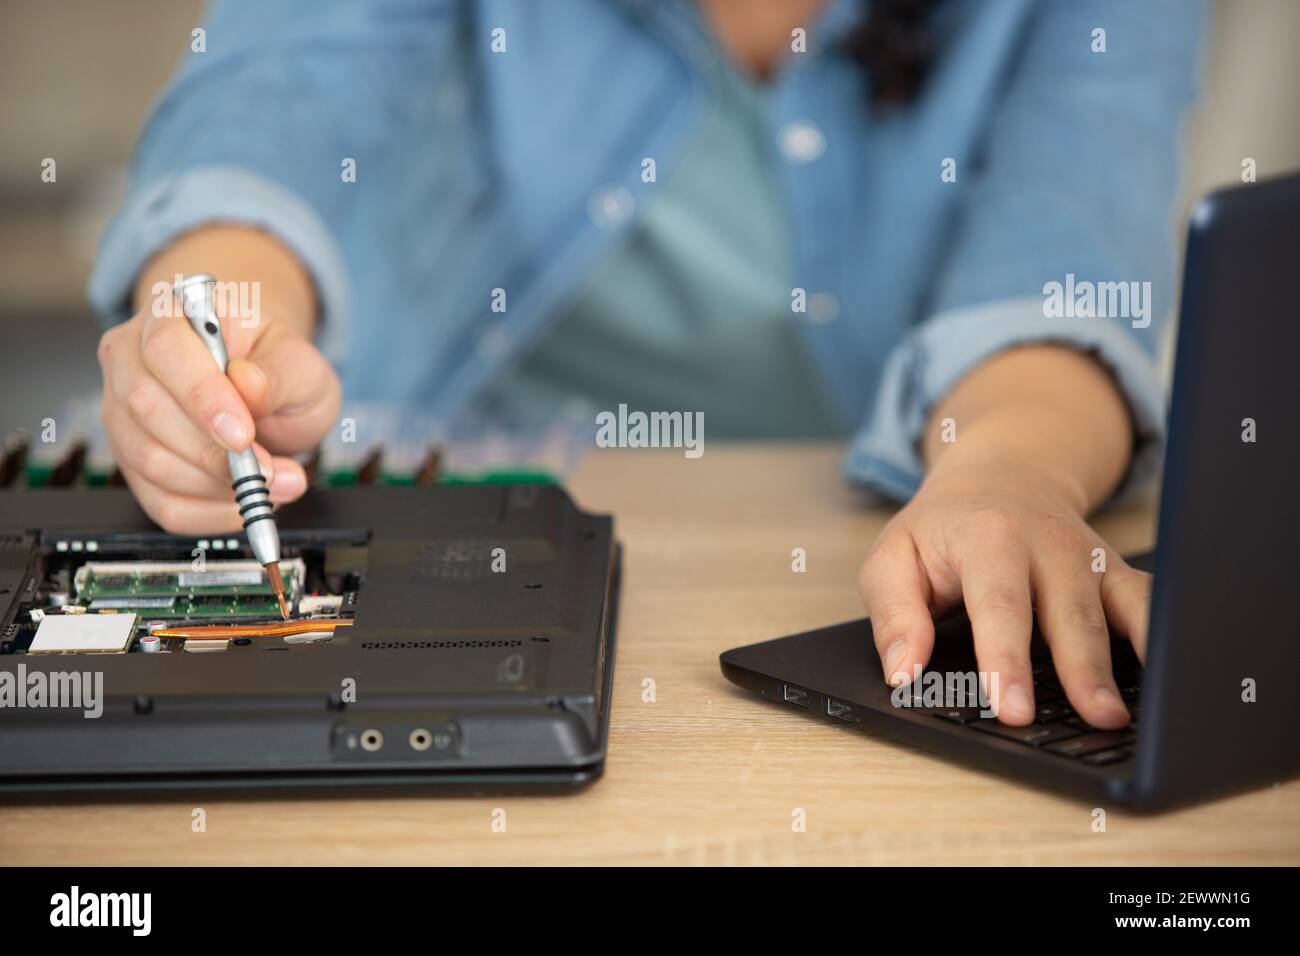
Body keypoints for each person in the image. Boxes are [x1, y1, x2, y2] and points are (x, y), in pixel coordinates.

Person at [89, 0, 1205, 729]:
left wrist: (1011, 471)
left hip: (835, 540)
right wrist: (218, 321)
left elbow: (1069, 257)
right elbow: (270, 101)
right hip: (439, 486)